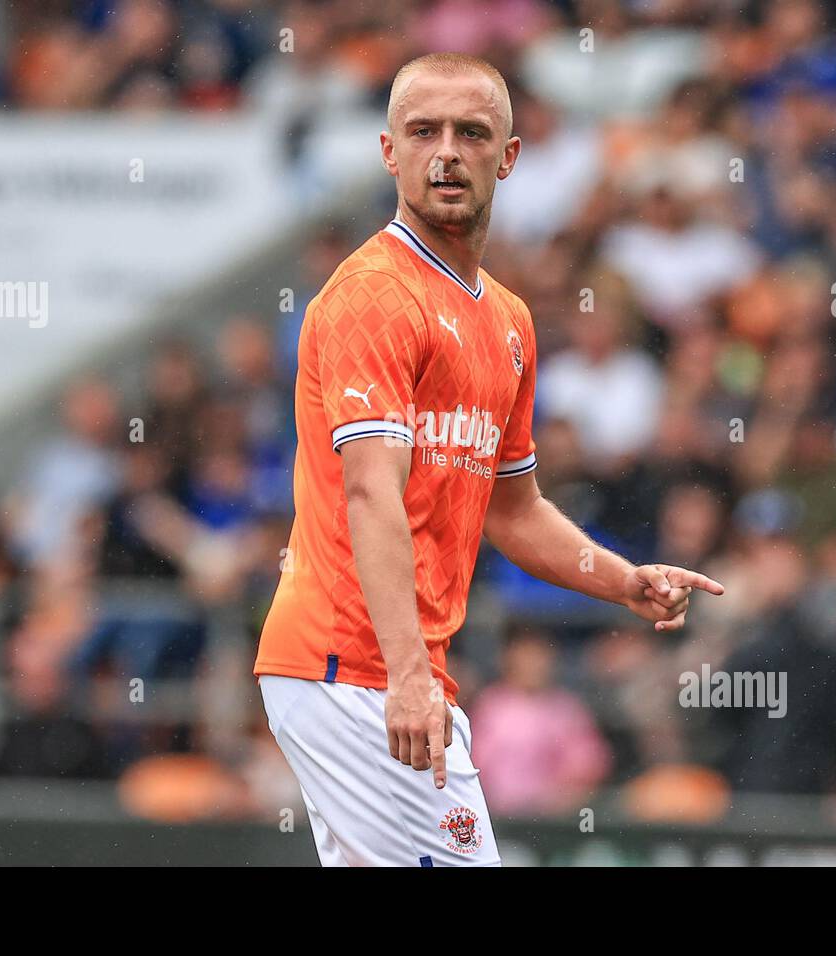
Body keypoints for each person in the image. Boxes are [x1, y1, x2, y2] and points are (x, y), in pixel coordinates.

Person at [253, 52, 724, 867]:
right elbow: (371, 494)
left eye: (471, 133)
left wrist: (624, 580)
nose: (445, 151)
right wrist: (408, 675)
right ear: (388, 151)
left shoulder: (506, 319)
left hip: (384, 669)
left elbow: (513, 508)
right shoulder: (374, 295)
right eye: (422, 131)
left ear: (508, 157)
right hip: (351, 662)